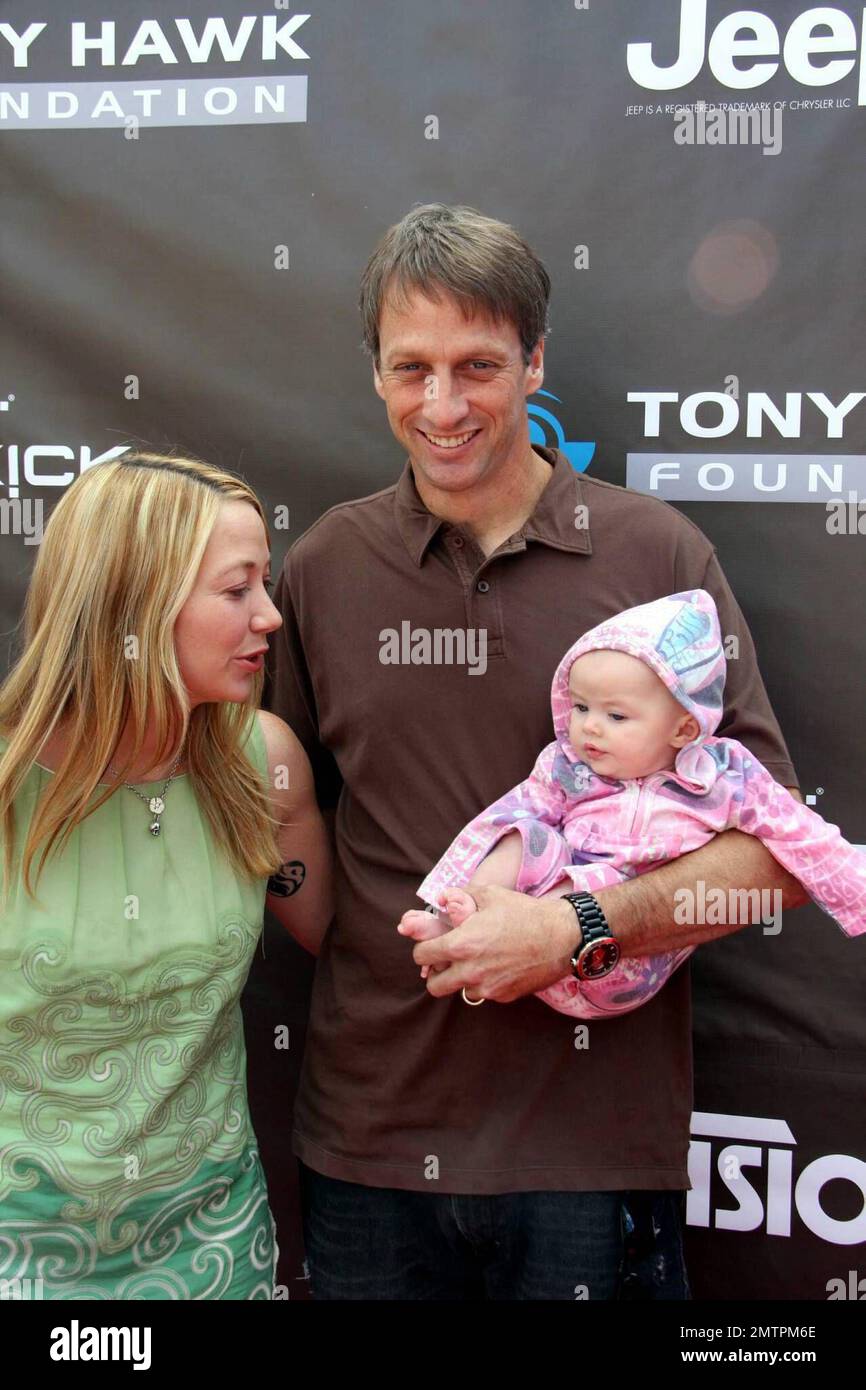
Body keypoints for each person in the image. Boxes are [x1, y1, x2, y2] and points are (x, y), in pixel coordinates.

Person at [263, 203, 807, 1301]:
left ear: (535, 360)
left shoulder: (656, 553)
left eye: (478, 365)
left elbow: (777, 856)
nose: (443, 405)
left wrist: (573, 926)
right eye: (410, 368)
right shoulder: (326, 565)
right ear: (373, 370)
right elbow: (290, 823)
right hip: (369, 1150)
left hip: (589, 1157)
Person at [0, 451, 333, 1300]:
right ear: (134, 604)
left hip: (211, 1248)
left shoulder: (263, 766)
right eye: (236, 589)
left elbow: (353, 942)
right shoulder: (8, 791)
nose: (270, 616)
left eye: (267, 583)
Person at [400, 587, 864, 1018]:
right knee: (524, 832)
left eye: (615, 715)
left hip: (623, 965)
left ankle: (513, 931)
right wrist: (450, 882)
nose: (590, 728)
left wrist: (856, 891)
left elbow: (798, 830)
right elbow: (500, 818)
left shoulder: (724, 776)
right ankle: (457, 917)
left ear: (684, 728)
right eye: (580, 708)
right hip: (531, 933)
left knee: (600, 884)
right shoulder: (567, 766)